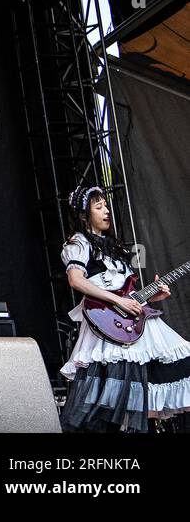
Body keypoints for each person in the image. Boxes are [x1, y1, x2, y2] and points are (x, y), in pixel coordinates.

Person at [59, 184, 190, 432]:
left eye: (106, 205)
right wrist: (117, 301)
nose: (106, 211)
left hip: (135, 323)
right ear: (84, 215)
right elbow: (76, 280)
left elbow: (127, 293)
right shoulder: (79, 242)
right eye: (99, 207)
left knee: (158, 378)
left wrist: (151, 298)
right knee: (112, 397)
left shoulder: (113, 246)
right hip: (108, 324)